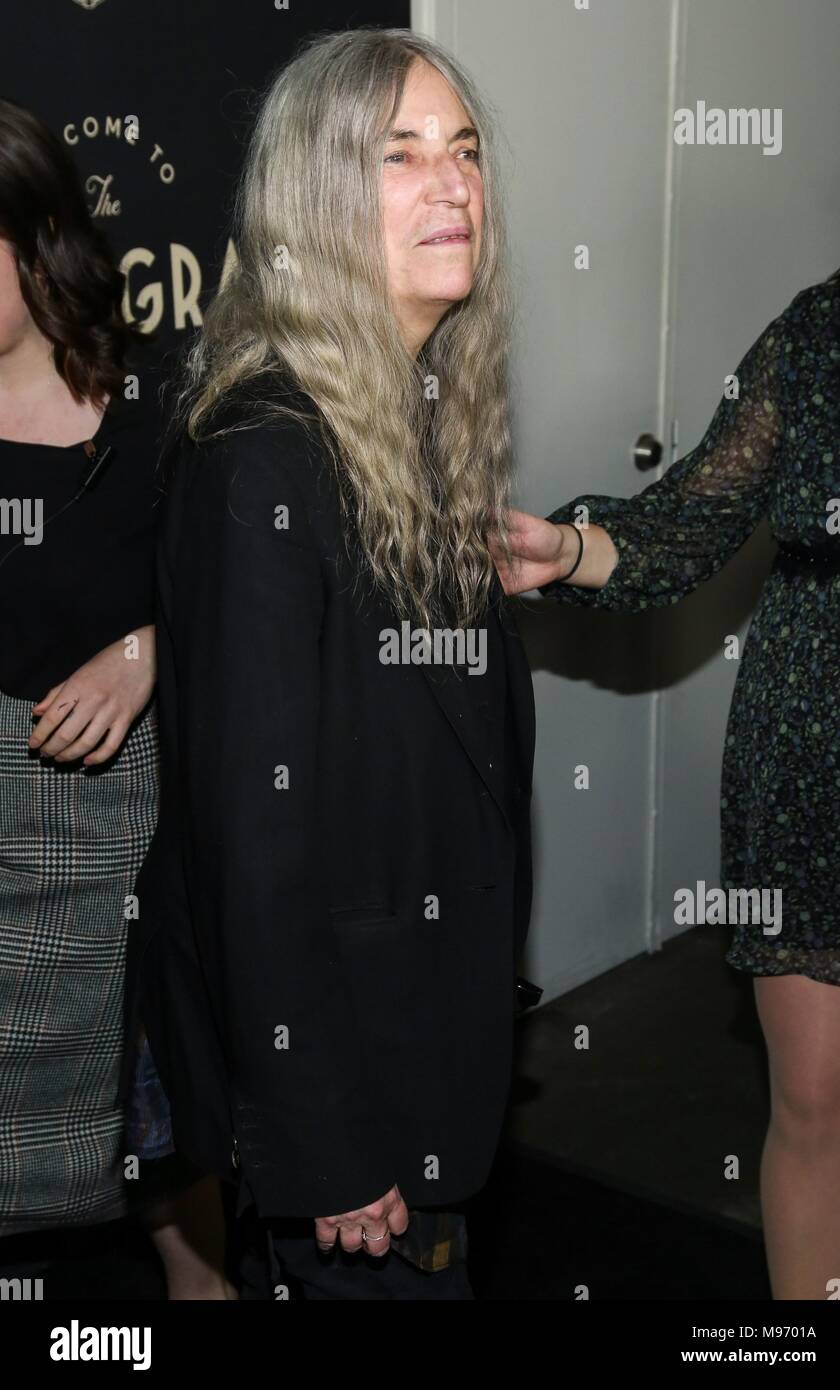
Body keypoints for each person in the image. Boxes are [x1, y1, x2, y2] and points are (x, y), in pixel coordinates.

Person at [122, 27, 536, 1301]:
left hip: (416, 1044)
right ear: (313, 200)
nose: (453, 184)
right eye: (399, 155)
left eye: (461, 150)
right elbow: (251, 842)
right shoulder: (263, 455)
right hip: (346, 1092)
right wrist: (326, 1142)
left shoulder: (414, 421)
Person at [493, 253, 840, 1300]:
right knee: (818, 1108)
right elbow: (695, 512)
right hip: (814, 765)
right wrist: (567, 549)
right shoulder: (818, 334)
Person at [0, 98, 234, 1300]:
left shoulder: (155, 414)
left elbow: (239, 613)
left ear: (36, 241)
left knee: (157, 1131)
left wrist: (142, 651)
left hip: (122, 863)